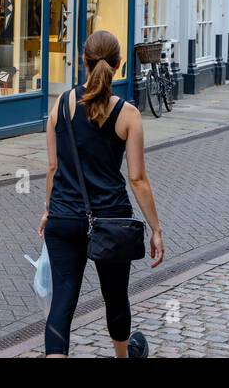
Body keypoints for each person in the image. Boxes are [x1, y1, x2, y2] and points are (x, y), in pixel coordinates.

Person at [39, 31, 164, 358]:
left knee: (62, 302)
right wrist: (156, 228)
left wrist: (49, 209)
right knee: (115, 298)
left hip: (64, 217)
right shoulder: (128, 114)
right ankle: (123, 355)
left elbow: (52, 167)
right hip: (111, 220)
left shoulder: (61, 104)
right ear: (120, 65)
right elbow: (137, 179)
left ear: (83, 62)